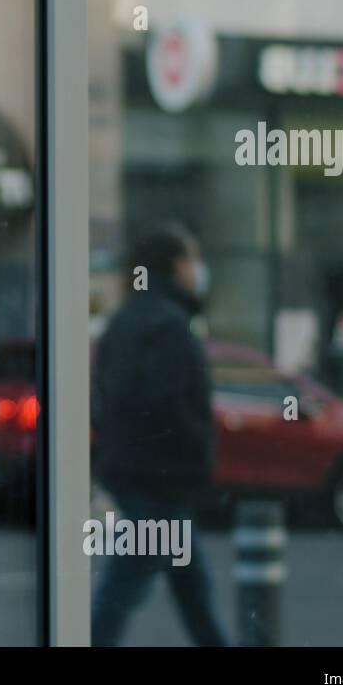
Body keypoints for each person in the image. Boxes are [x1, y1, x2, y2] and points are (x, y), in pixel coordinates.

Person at [90, 221, 227, 647]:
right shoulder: (169, 326)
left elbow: (106, 400)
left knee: (191, 590)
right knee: (124, 590)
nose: (198, 269)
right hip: (159, 481)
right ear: (176, 265)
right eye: (193, 258)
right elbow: (168, 406)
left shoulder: (125, 321)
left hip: (137, 476)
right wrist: (195, 459)